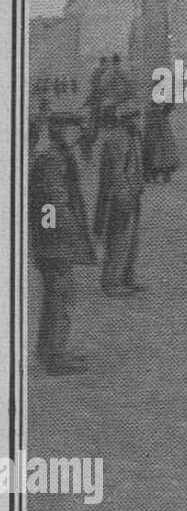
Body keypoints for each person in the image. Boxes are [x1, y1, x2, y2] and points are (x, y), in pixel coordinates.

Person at [30, 110, 97, 374]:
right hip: (54, 244)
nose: (79, 135)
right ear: (60, 131)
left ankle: (52, 350)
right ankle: (54, 355)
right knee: (60, 296)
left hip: (54, 242)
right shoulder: (51, 161)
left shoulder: (59, 157)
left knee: (59, 296)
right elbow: (51, 206)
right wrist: (62, 241)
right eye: (74, 130)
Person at [95, 99, 147, 297]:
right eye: (134, 117)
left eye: (138, 116)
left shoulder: (132, 136)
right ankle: (111, 283)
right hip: (120, 198)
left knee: (131, 240)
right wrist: (125, 195)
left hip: (131, 195)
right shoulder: (118, 139)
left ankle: (127, 279)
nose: (138, 120)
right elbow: (115, 175)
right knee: (118, 239)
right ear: (125, 120)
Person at [142, 99, 180, 182]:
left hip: (159, 120)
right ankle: (153, 171)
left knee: (161, 144)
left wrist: (166, 109)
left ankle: (162, 171)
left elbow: (170, 104)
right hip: (153, 119)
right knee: (153, 143)